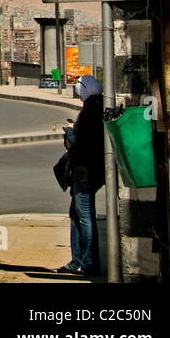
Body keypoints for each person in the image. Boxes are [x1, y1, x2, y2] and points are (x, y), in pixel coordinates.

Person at [60, 75, 105, 276]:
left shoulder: (88, 114)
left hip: (84, 173)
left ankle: (89, 263)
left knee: (84, 218)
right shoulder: (99, 109)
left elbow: (79, 142)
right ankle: (77, 260)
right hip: (93, 172)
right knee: (76, 215)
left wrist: (69, 132)